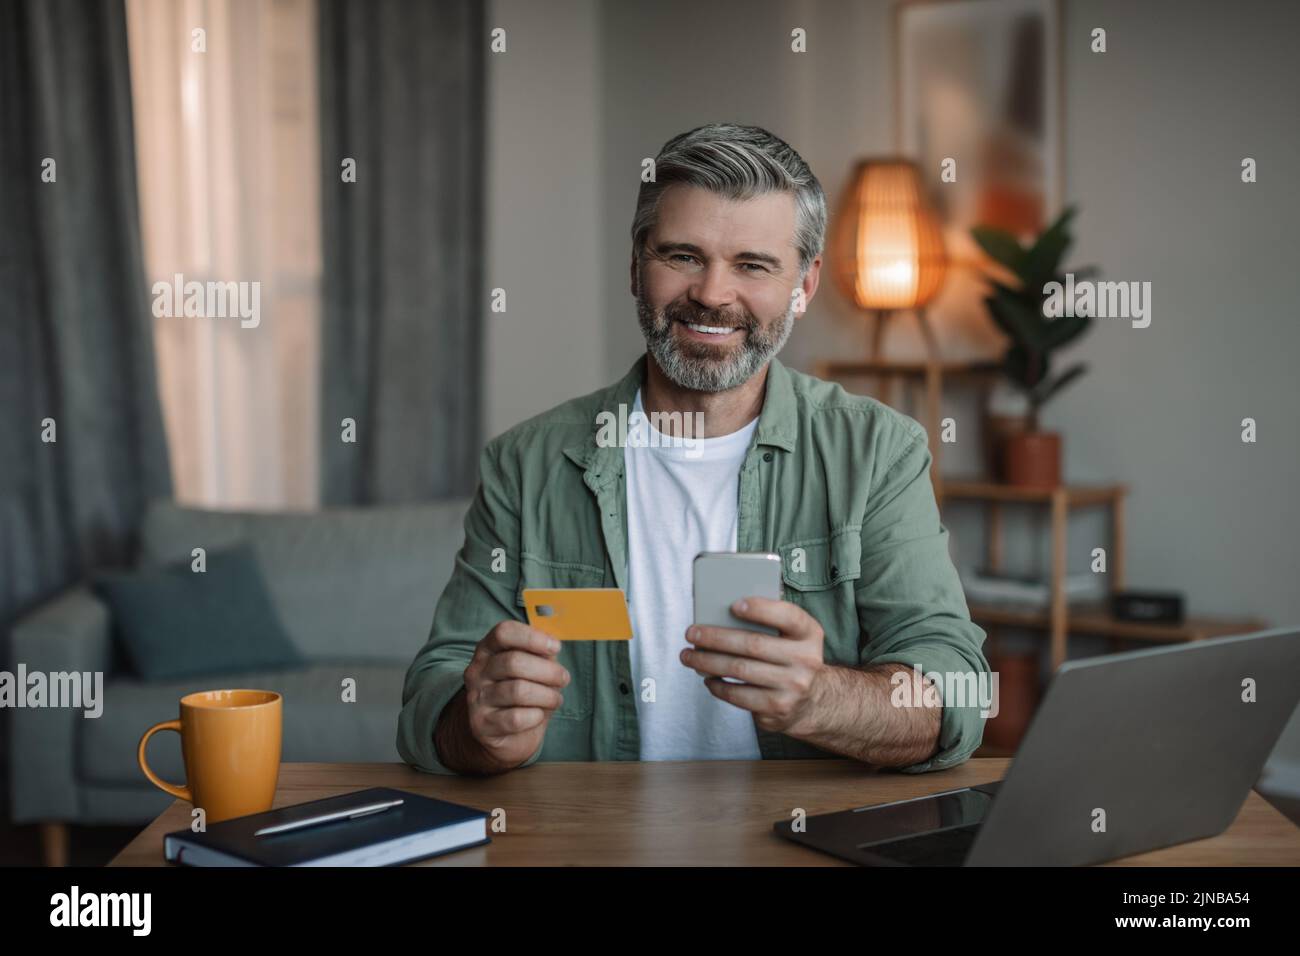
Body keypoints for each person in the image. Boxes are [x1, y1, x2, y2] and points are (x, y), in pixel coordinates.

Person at [398, 123, 989, 775]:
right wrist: (479, 729)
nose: (711, 293)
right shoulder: (525, 463)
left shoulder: (878, 453)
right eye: (682, 256)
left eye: (752, 265)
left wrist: (821, 699)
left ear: (806, 283)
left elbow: (956, 685)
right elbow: (435, 693)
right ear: (635, 264)